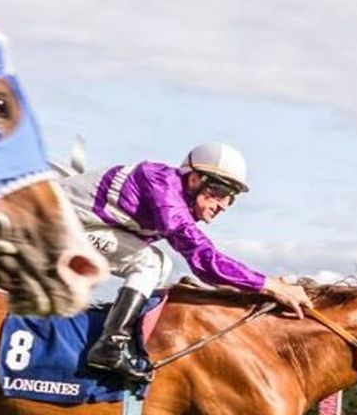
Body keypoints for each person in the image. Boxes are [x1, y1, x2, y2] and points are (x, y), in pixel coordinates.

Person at [62, 142, 314, 380]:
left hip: (73, 225)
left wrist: (263, 283)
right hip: (51, 227)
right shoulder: (164, 192)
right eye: (221, 191)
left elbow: (205, 262)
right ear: (194, 179)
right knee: (149, 263)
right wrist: (268, 285)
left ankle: (118, 339)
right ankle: (108, 346)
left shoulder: (172, 192)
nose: (224, 205)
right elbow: (204, 260)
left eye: (232, 197)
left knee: (159, 265)